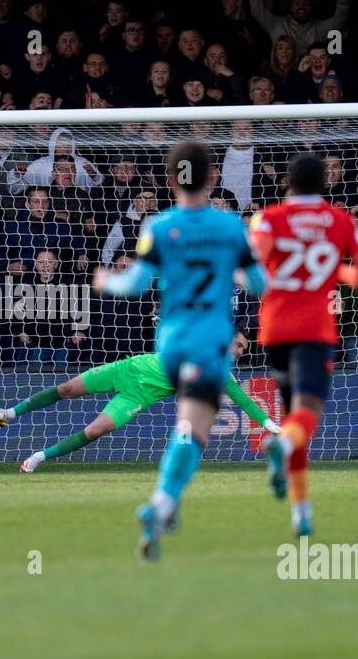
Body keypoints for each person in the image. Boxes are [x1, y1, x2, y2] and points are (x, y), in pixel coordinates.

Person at [93, 140, 267, 561]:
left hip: (169, 342)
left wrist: (105, 281)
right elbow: (261, 286)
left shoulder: (158, 227)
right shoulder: (231, 229)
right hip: (208, 341)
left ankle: (166, 505)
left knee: (188, 422)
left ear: (170, 181)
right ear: (212, 178)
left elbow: (134, 286)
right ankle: (162, 502)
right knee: (193, 429)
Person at [252, 154, 358, 536]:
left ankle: (301, 512)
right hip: (314, 331)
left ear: (287, 183)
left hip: (274, 330)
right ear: (324, 183)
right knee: (306, 416)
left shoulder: (269, 219)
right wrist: (331, 270)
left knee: (294, 418)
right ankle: (280, 448)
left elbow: (251, 269)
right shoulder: (341, 220)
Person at [0, 330, 280, 472]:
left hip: (138, 396)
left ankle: (38, 457)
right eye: (239, 344)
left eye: (244, 349)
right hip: (126, 369)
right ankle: (8, 412)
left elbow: (245, 401)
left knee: (95, 430)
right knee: (66, 388)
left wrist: (269, 424)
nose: (241, 350)